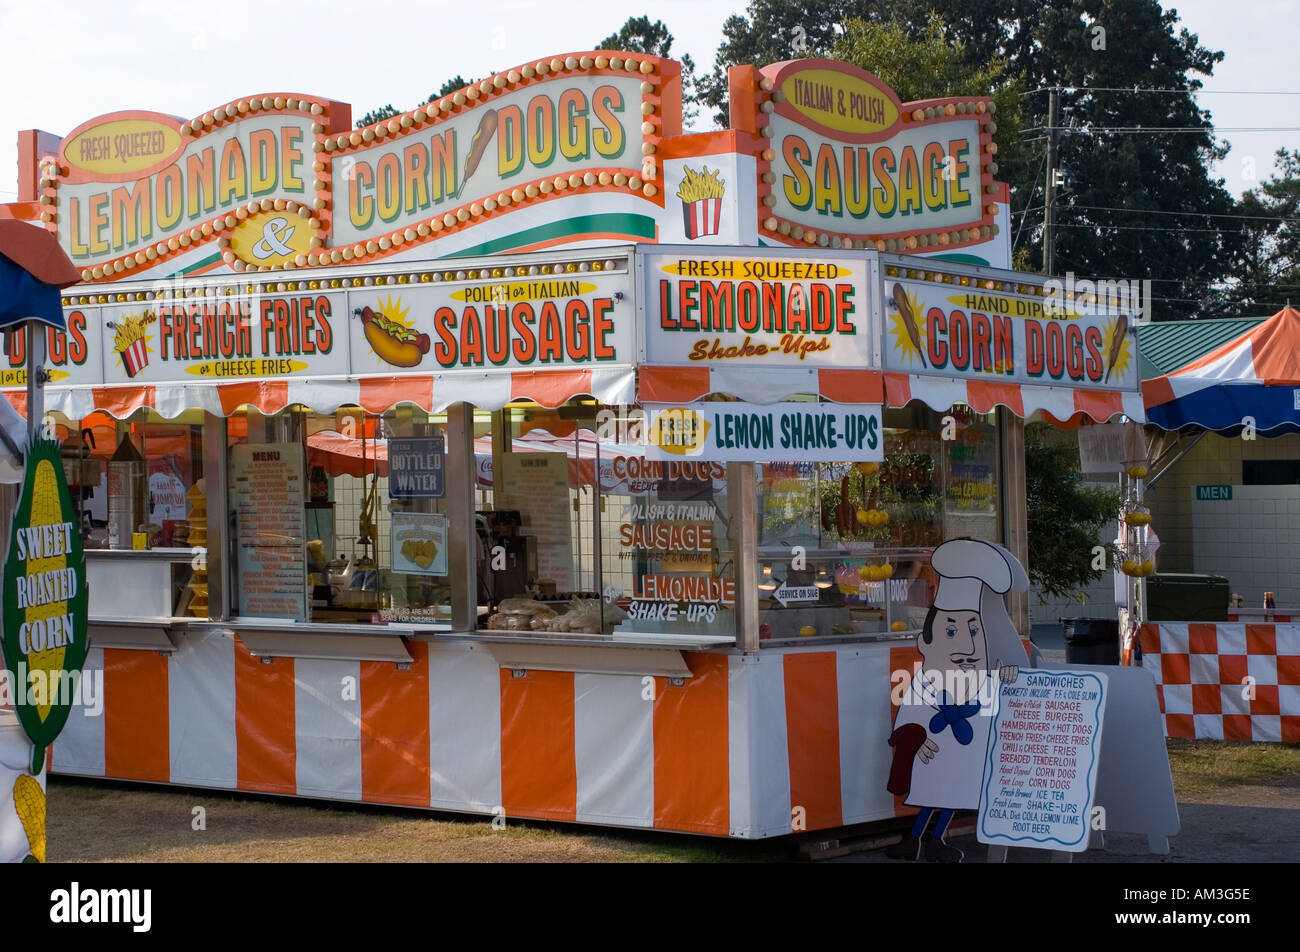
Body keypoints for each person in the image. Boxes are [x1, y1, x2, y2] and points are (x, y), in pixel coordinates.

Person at [884, 538, 1028, 862]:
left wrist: (1004, 679)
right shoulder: (925, 680)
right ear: (926, 642)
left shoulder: (981, 679)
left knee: (951, 795)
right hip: (932, 753)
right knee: (931, 794)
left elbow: (993, 705)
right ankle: (914, 839)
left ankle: (935, 840)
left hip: (963, 756)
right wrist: (914, 740)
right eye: (951, 632)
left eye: (974, 632)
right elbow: (909, 716)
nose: (967, 645)